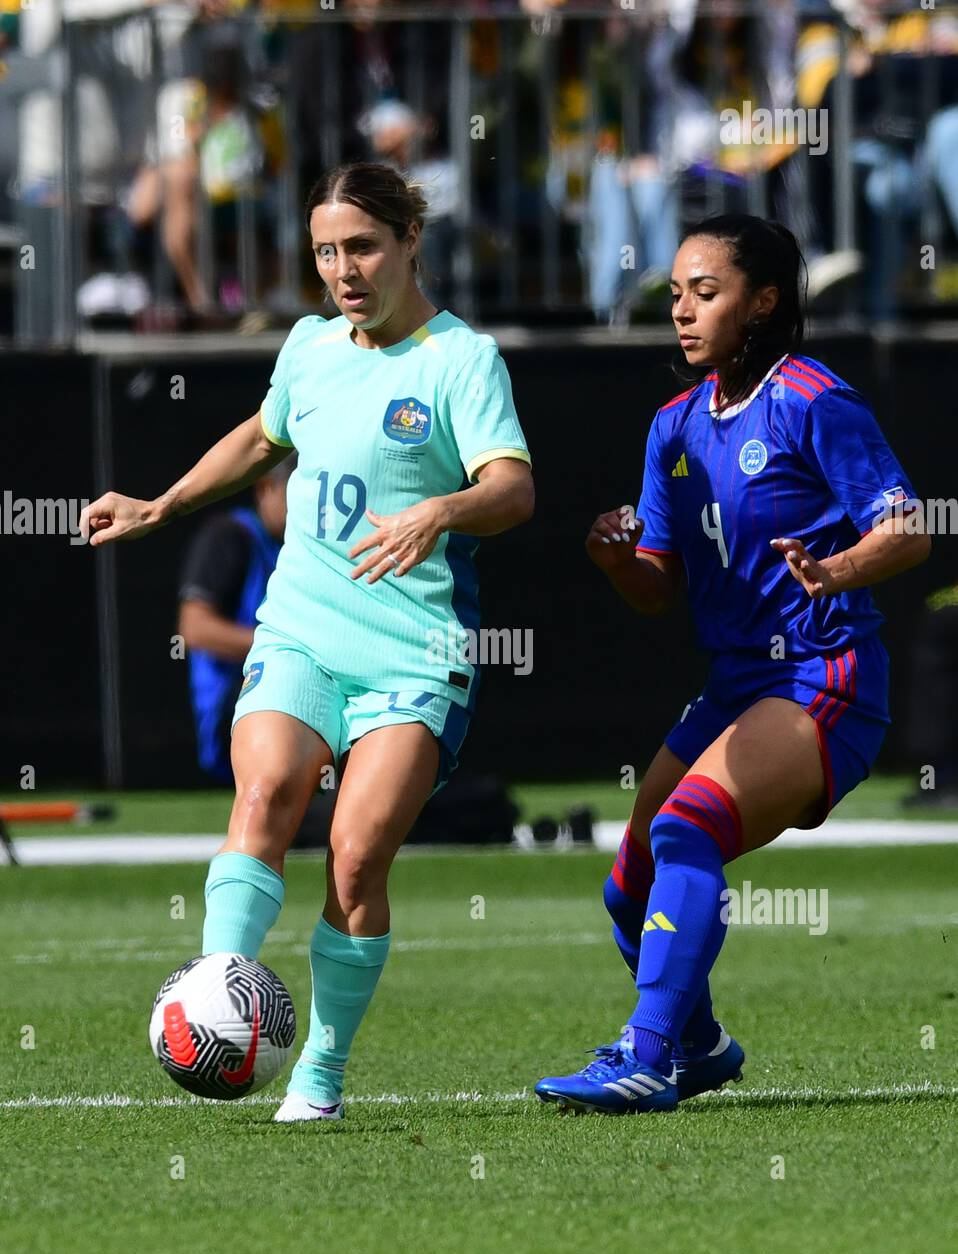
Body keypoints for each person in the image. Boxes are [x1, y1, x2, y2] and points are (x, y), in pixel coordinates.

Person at [81, 160, 534, 1122]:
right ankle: (221, 995)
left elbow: (513, 489)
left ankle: (320, 1070)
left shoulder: (463, 359)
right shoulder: (309, 346)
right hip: (302, 631)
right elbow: (259, 436)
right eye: (327, 251)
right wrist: (160, 505)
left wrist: (442, 511)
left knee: (359, 854)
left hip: (415, 650)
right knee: (269, 790)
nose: (343, 269)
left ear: (412, 238)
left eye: (362, 246)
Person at [535, 213, 930, 1115]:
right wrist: (612, 558)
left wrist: (835, 570)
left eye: (704, 293)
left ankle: (645, 1054)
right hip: (736, 685)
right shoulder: (673, 427)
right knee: (628, 881)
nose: (682, 311)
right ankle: (701, 1045)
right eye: (675, 294)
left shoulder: (814, 400)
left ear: (763, 302)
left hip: (823, 679)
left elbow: (908, 529)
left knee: (686, 830)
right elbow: (657, 589)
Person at [178, 457, 291, 784]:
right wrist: (286, 646)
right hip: (235, 701)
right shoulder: (229, 535)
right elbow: (194, 629)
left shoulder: (301, 549)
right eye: (297, 491)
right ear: (266, 488)